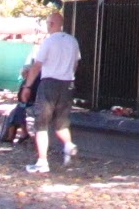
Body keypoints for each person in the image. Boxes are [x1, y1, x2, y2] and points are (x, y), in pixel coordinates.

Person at [21, 10, 81, 174]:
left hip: (49, 83)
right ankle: (68, 145)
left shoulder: (49, 42)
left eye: (47, 23)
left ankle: (42, 161)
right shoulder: (73, 41)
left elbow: (37, 66)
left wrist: (27, 87)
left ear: (52, 24)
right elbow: (75, 64)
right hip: (67, 84)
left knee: (41, 123)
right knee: (61, 122)